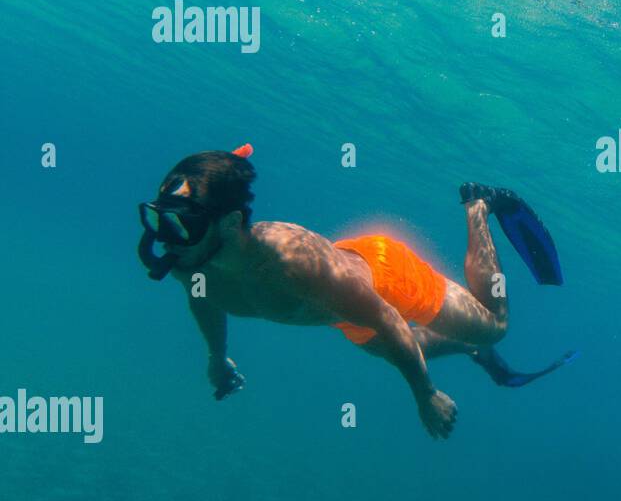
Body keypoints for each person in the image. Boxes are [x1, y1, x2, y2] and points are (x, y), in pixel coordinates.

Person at [137, 145, 573, 439]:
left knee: (493, 327)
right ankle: (467, 348)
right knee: (389, 345)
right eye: (160, 220)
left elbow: (385, 317)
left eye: (181, 225)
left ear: (231, 224)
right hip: (338, 306)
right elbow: (202, 298)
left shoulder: (291, 264)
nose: (167, 238)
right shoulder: (192, 261)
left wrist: (426, 396)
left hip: (385, 277)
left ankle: (478, 205)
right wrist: (216, 357)